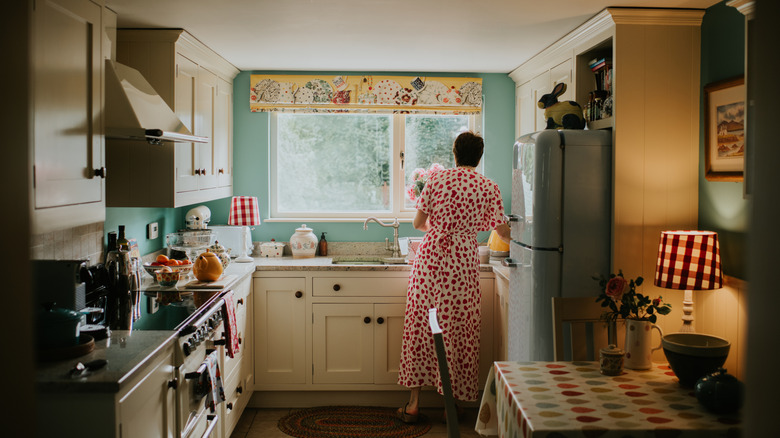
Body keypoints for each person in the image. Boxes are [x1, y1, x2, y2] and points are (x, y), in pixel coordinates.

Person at [397, 131, 510, 423]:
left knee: (422, 326)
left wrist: (439, 230)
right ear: (479, 156)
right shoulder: (488, 186)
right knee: (458, 329)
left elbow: (418, 222)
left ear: (455, 153)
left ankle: (413, 404)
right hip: (462, 263)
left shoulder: (436, 180)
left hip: (430, 260)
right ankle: (452, 405)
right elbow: (502, 231)